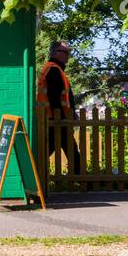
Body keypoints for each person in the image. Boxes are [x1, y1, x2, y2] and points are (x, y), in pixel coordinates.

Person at [38, 40, 82, 174]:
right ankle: (81, 179)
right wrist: (61, 117)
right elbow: (54, 96)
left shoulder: (54, 69)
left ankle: (80, 178)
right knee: (68, 149)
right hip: (55, 119)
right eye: (66, 52)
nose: (68, 55)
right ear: (56, 53)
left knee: (62, 148)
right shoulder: (53, 70)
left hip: (53, 118)